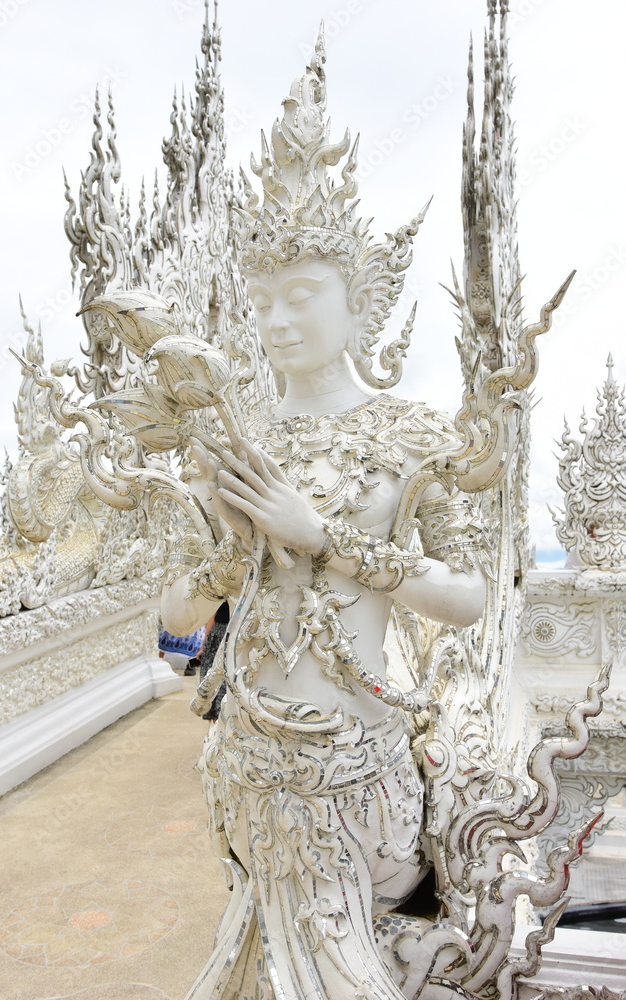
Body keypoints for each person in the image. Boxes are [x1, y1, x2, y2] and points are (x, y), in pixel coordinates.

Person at [160, 35, 487, 999]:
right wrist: (227, 554)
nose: (275, 321)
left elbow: (468, 599)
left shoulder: (410, 433)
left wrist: (325, 542)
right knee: (254, 958)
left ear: (363, 300)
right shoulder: (229, 438)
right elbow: (177, 623)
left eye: (301, 294)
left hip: (353, 769)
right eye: (260, 301)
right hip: (245, 760)